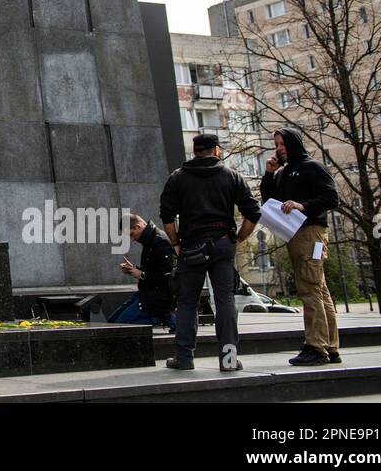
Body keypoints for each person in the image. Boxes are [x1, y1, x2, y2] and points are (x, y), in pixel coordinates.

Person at [159, 133, 261, 371]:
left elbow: (166, 216)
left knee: (187, 302)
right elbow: (253, 212)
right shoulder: (231, 176)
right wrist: (239, 237)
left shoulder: (178, 178)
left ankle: (184, 358)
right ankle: (228, 360)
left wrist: (175, 243)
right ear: (216, 150)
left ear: (195, 151)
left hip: (191, 246)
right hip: (222, 244)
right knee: (225, 301)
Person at [261, 127, 341, 366]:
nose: (279, 149)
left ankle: (316, 347)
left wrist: (302, 206)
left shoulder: (312, 167)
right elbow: (269, 201)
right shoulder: (284, 173)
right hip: (295, 234)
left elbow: (331, 198)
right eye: (276, 145)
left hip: (310, 233)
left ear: (294, 144)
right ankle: (330, 346)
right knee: (319, 289)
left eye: (282, 144)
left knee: (309, 289)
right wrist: (269, 175)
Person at [108, 212, 175, 330]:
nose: (132, 239)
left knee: (117, 328)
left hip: (156, 300)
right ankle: (166, 315)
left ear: (138, 226)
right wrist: (134, 270)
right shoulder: (150, 240)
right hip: (147, 295)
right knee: (110, 323)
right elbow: (154, 269)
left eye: (132, 234)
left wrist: (141, 274)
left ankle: (166, 315)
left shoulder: (159, 241)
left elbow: (167, 276)